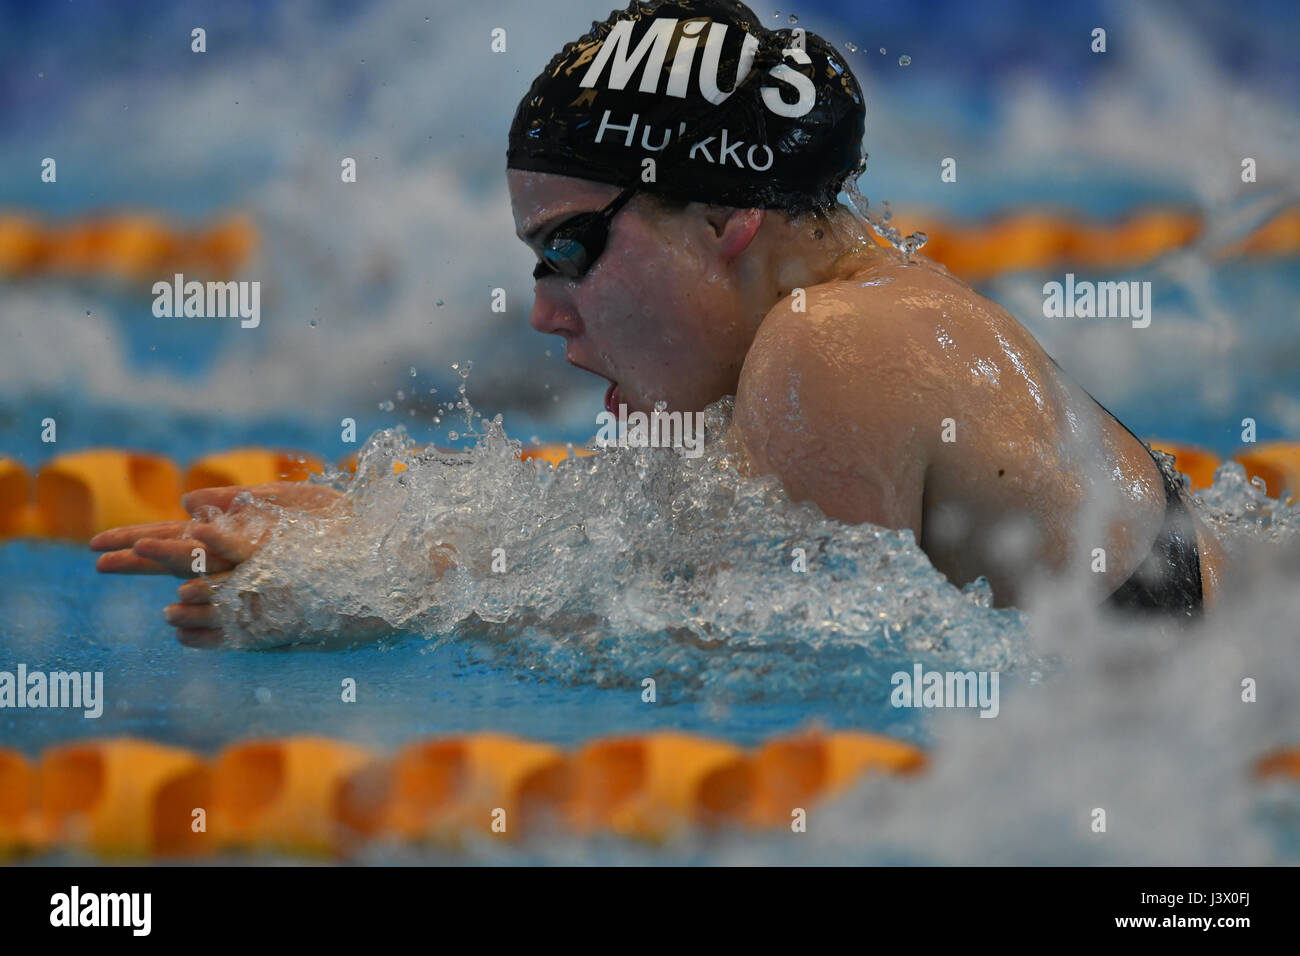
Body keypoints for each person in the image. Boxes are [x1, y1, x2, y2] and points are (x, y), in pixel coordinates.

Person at [92, 0, 1223, 646]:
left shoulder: (830, 345)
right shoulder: (859, 325)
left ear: (726, 214)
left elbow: (764, 661)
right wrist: (385, 529)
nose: (543, 311)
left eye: (571, 249)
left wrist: (364, 598)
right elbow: (684, 564)